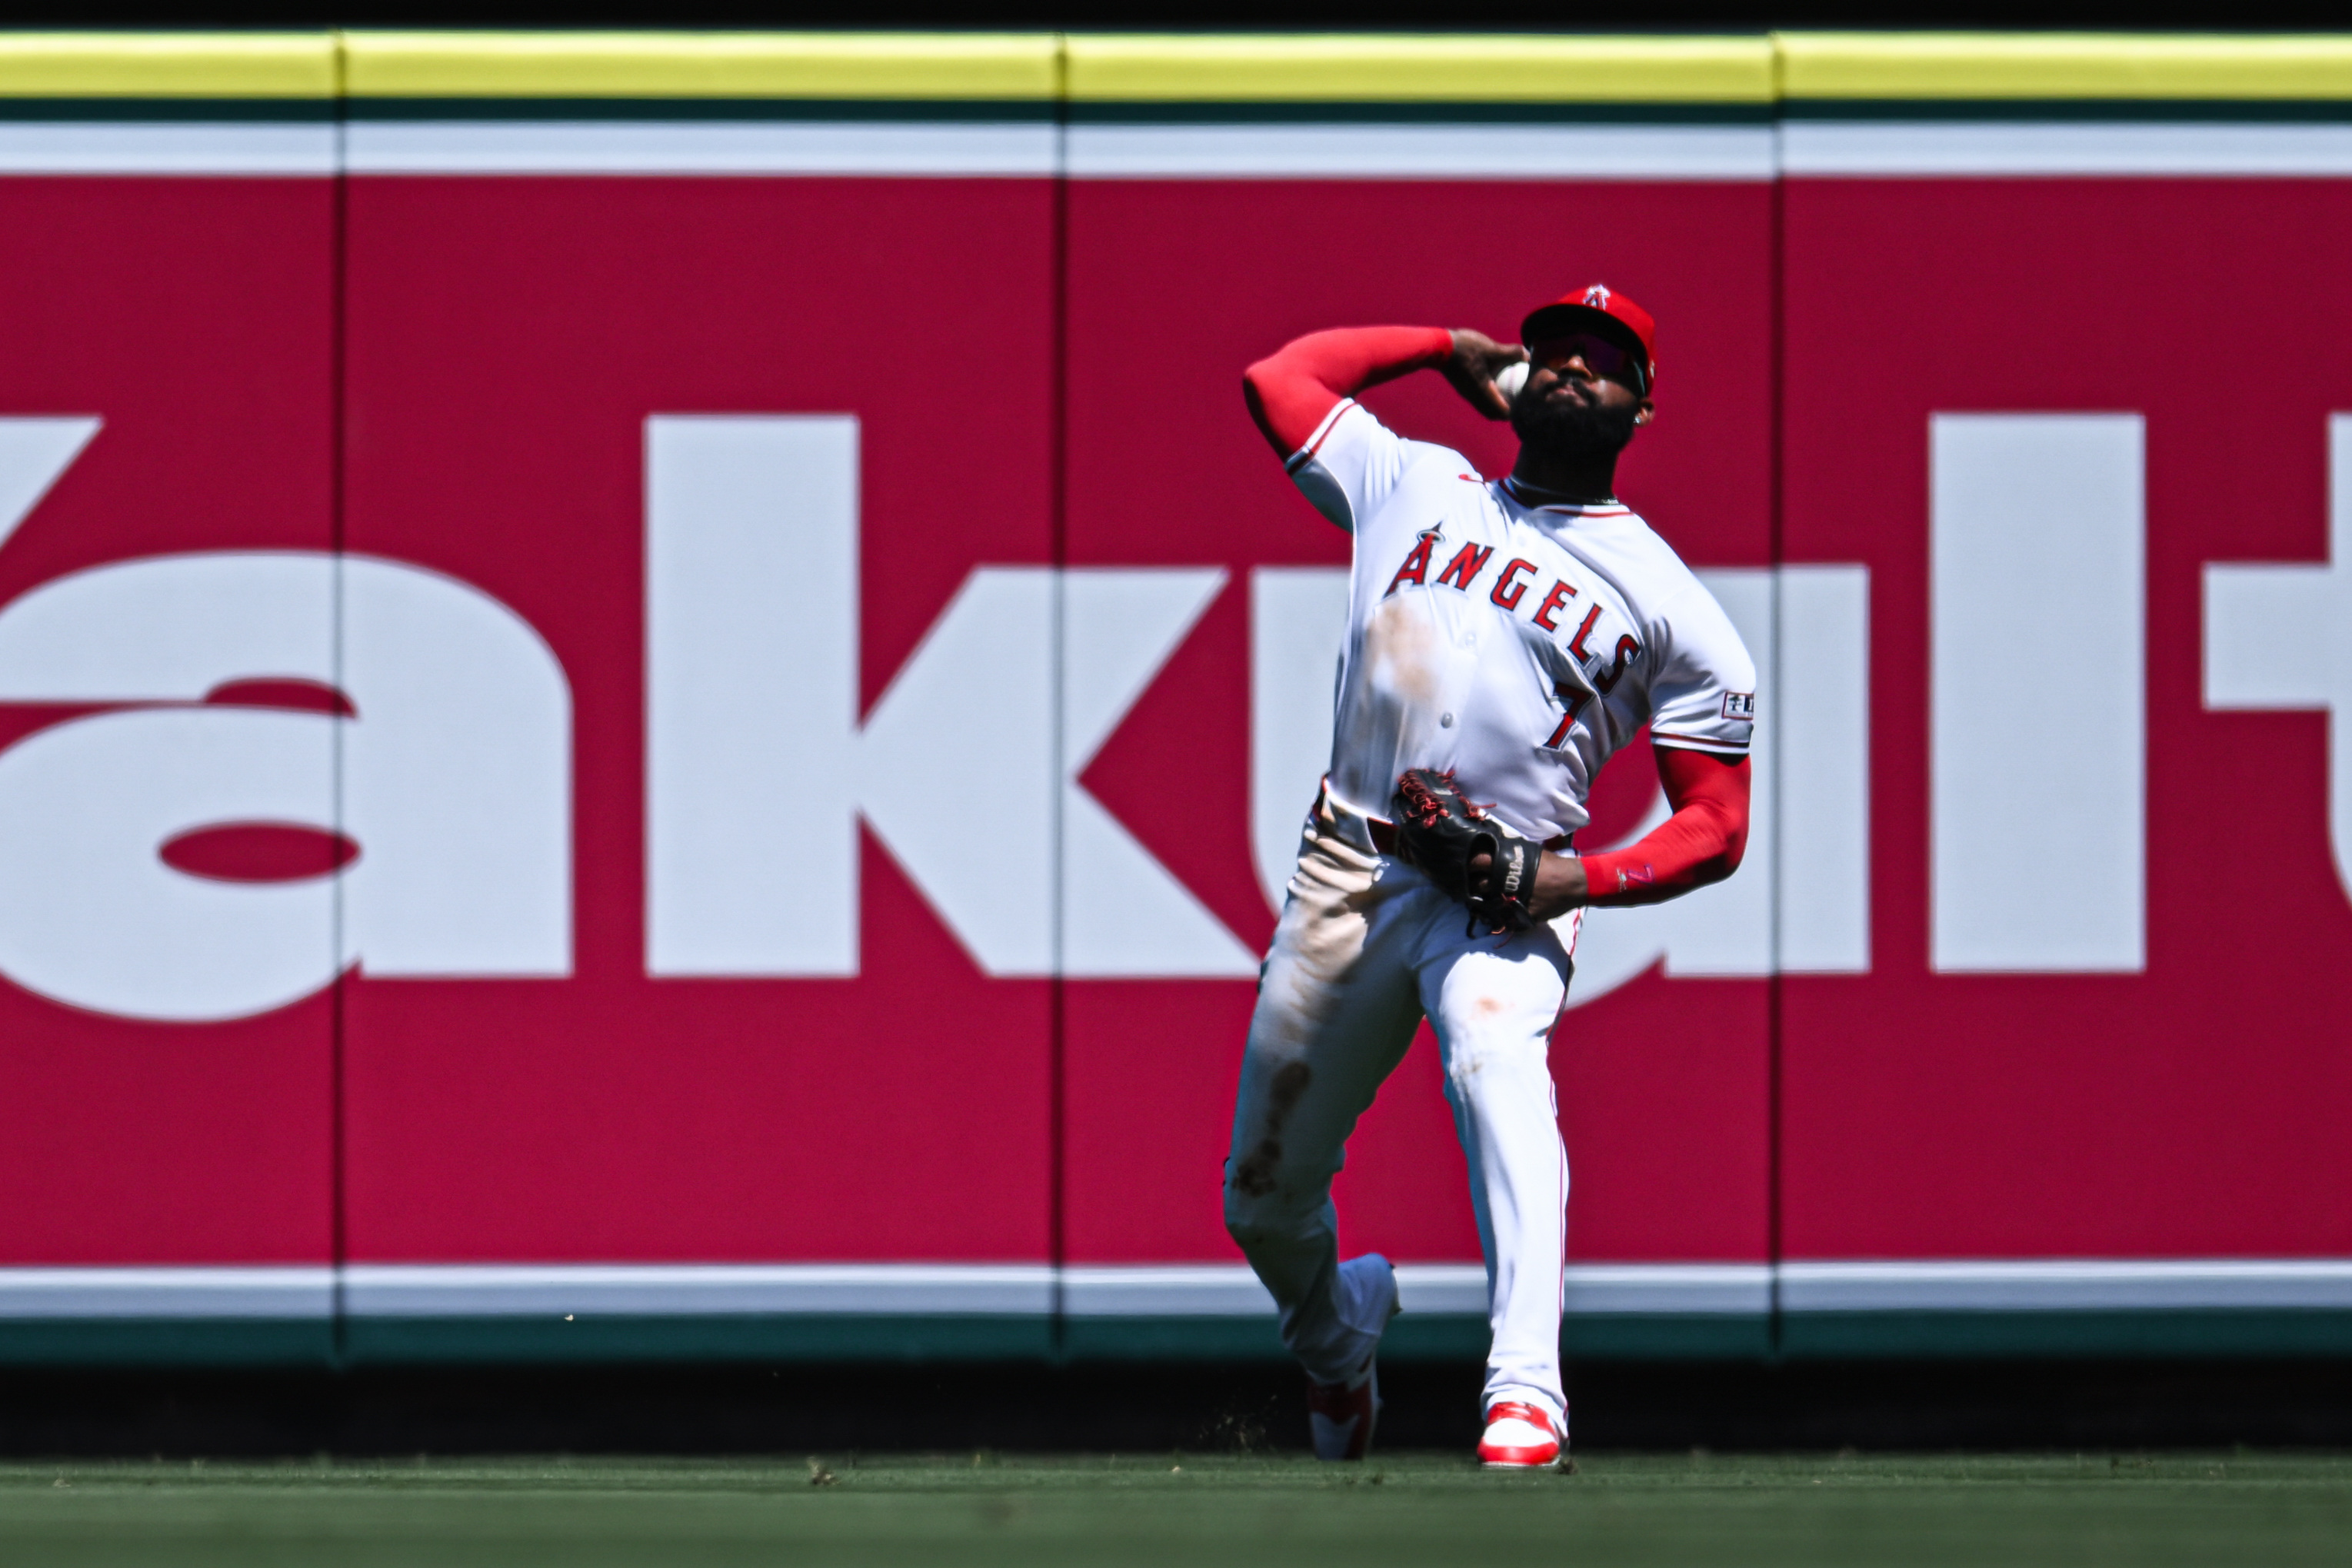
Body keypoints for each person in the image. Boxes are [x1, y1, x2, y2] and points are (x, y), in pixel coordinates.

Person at [1226, 287, 1756, 1470]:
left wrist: (1573, 880)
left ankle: (1525, 1391)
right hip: (1349, 868)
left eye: (1606, 360)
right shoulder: (1414, 481)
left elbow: (1716, 826)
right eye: (1556, 347)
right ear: (1518, 374)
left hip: (1501, 894)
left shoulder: (1672, 604)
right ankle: (1335, 1338)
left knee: (1491, 1054)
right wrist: (1438, 349)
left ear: (1640, 409)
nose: (1573, 367)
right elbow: (1279, 378)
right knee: (1260, 1197)